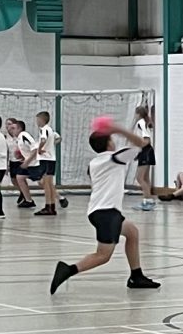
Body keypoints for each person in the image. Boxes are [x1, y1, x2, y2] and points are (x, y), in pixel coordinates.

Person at [51, 123, 160, 293]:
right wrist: (118, 129)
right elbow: (144, 145)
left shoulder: (95, 162)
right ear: (110, 143)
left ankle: (136, 276)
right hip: (107, 214)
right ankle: (68, 270)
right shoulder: (114, 158)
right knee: (103, 255)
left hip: (100, 211)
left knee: (132, 232)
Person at [31, 110, 61, 215]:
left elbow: (43, 140)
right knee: (48, 183)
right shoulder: (51, 130)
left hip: (46, 159)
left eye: (37, 120)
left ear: (42, 120)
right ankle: (52, 206)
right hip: (51, 159)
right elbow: (59, 138)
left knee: (46, 184)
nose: (37, 122)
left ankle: (48, 206)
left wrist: (39, 149)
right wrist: (51, 146)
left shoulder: (43, 129)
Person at [131, 103, 160, 207]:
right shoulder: (144, 122)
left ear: (138, 114)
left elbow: (146, 140)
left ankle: (147, 200)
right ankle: (149, 201)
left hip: (146, 151)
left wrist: (139, 149)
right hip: (146, 151)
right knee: (146, 178)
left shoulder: (141, 123)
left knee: (140, 178)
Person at [9, 117, 39, 209]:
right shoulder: (19, 139)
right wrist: (23, 157)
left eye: (14, 128)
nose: (12, 130)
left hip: (36, 164)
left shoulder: (24, 135)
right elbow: (28, 151)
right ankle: (28, 200)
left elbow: (35, 149)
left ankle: (60, 198)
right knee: (19, 177)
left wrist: (27, 161)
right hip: (30, 164)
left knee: (43, 183)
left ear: (19, 128)